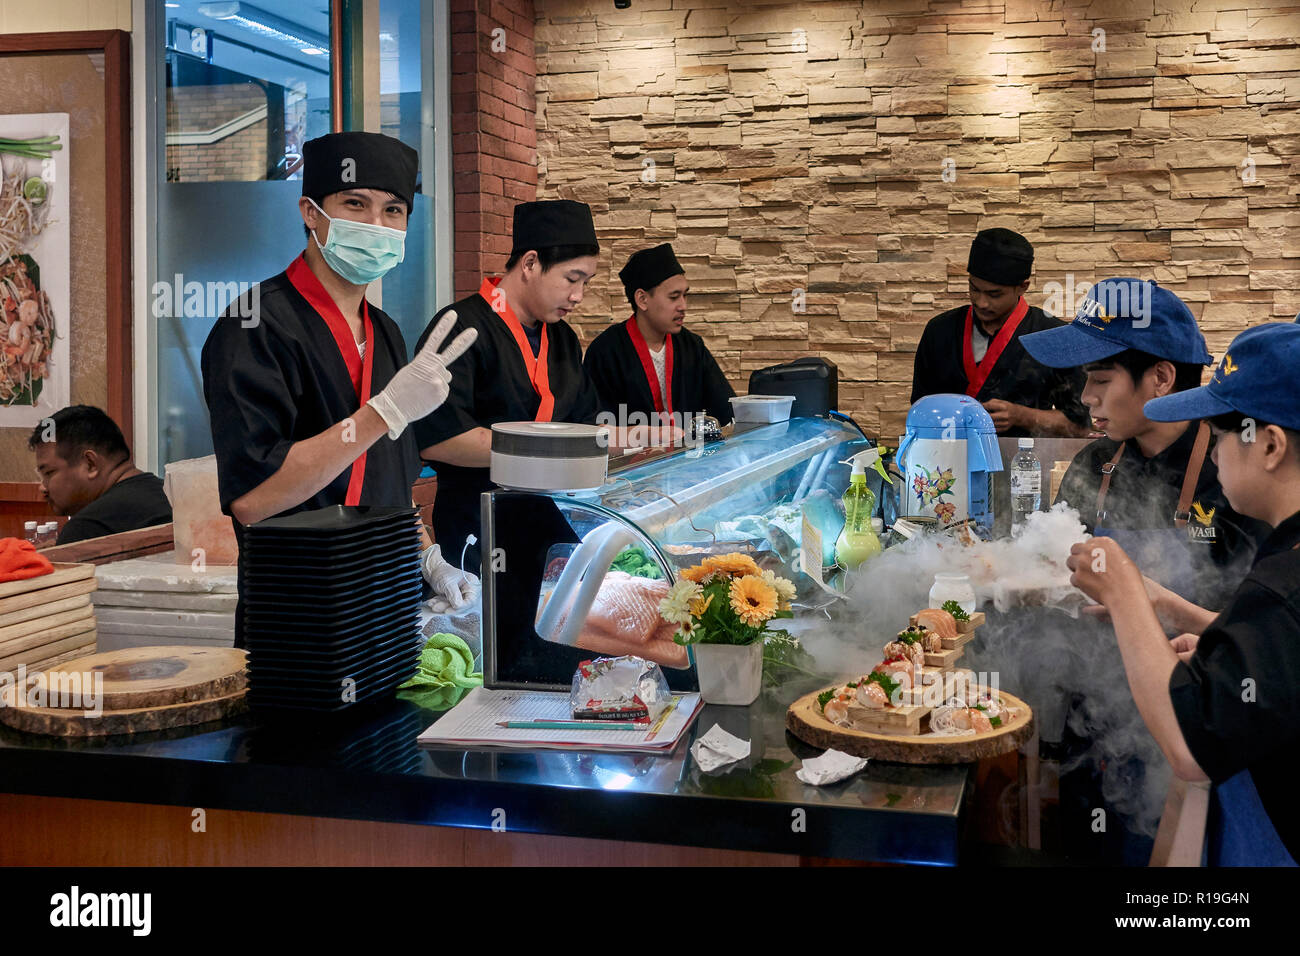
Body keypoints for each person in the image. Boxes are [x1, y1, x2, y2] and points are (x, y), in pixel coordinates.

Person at [201, 131, 476, 647]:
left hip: (387, 606)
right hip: (299, 612)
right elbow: (254, 500)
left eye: (394, 211)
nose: (376, 224)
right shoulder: (253, 324)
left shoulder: (386, 332)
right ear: (310, 212)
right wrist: (383, 411)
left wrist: (429, 558)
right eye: (355, 204)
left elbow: (387, 481)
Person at [1068, 322, 1300, 865]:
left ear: (1269, 445)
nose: (1215, 453)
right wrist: (1180, 613)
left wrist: (1123, 588)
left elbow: (1192, 743)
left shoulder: (1286, 583)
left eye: (1220, 435)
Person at [1022, 277, 1269, 608]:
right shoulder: (1093, 464)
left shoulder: (1234, 472)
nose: (1086, 397)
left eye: (1102, 379)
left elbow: (1260, 619)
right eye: (1086, 380)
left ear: (1161, 379)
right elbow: (1057, 574)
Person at [413, 199, 608, 572]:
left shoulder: (563, 339)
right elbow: (437, 438)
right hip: (478, 528)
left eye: (586, 282)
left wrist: (637, 437)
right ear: (530, 263)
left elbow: (584, 425)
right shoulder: (461, 327)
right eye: (572, 278)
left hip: (553, 524)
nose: (578, 296)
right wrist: (546, 451)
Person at [910, 228, 1090, 437]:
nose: (981, 302)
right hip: (944, 462)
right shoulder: (939, 330)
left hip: (1024, 464)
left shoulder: (1055, 337)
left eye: (994, 294)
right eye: (974, 289)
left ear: (1022, 287)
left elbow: (1080, 426)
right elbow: (919, 410)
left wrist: (1021, 416)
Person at [582, 242, 735, 428]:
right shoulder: (605, 352)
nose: (683, 306)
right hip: (631, 456)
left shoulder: (692, 346)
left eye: (685, 295)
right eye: (673, 297)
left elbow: (727, 409)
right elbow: (597, 428)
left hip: (687, 453)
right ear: (642, 299)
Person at [27, 405, 171, 545]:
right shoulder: (170, 495)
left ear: (91, 464)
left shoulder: (89, 528)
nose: (42, 488)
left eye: (48, 473)